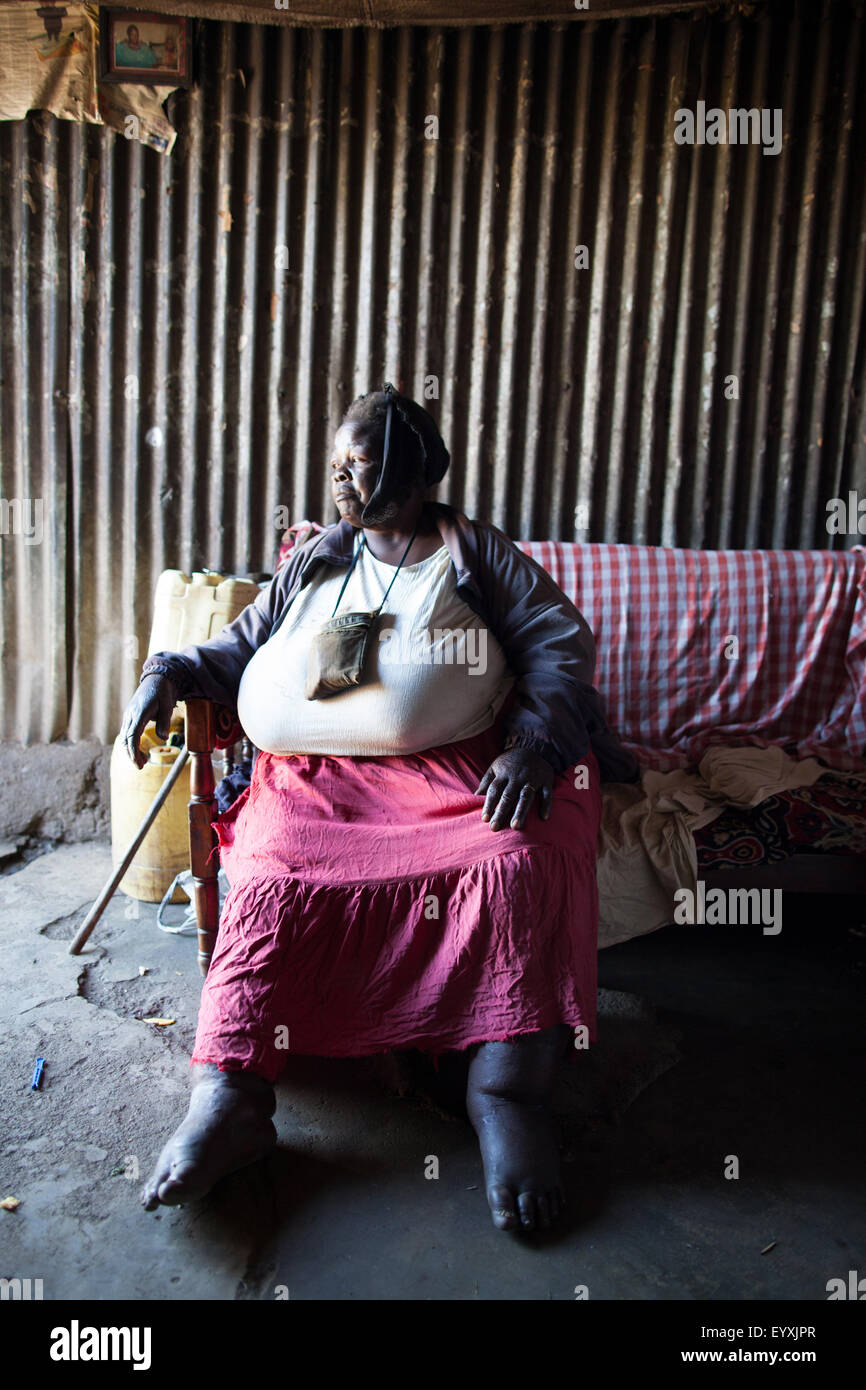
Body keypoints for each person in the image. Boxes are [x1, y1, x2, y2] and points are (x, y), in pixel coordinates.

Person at [121, 385, 639, 1232]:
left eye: (356, 463)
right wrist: (169, 672)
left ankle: (506, 1093)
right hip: (316, 784)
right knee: (270, 876)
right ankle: (231, 1097)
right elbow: (243, 644)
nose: (339, 481)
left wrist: (537, 745)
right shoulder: (318, 556)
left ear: (412, 467)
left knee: (515, 863)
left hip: (456, 777)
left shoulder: (476, 554)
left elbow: (558, 647)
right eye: (334, 464)